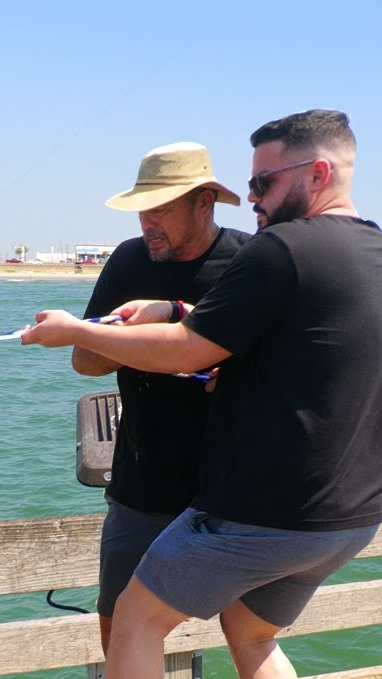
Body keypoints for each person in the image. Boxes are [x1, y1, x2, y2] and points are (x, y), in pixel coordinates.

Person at [22, 109, 382, 679]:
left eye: (264, 182)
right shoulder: (380, 250)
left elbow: (188, 350)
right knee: (250, 632)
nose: (253, 197)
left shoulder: (272, 251)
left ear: (318, 173)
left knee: (135, 621)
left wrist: (78, 330)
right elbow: (281, 346)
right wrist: (165, 314)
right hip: (342, 510)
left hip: (251, 506)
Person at [74, 141, 250, 652]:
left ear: (204, 202)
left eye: (161, 209)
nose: (147, 223)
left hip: (234, 494)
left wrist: (179, 332)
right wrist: (130, 338)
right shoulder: (129, 260)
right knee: (119, 633)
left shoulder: (250, 263)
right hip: (141, 486)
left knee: (250, 635)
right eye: (142, 210)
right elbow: (84, 361)